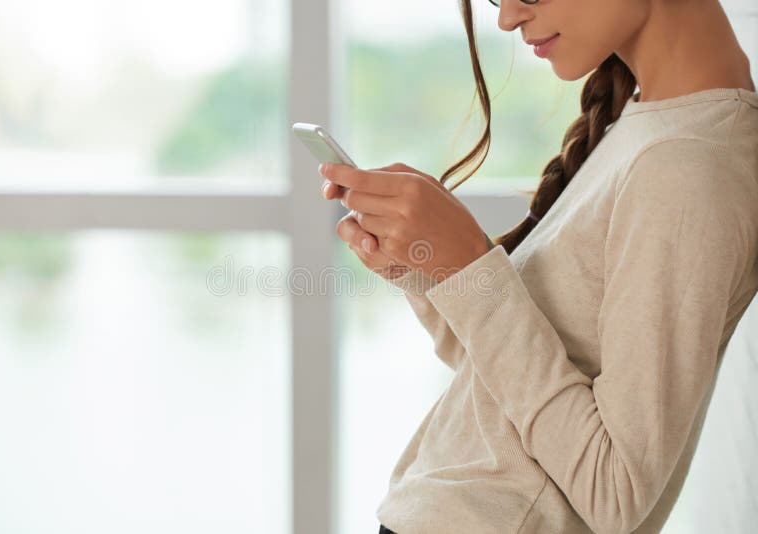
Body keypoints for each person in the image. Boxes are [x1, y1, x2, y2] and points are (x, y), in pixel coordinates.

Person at [319, 0, 757, 532]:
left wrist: (471, 266)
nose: (506, 18)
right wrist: (425, 266)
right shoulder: (651, 128)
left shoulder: (686, 165)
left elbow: (613, 493)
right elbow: (507, 395)